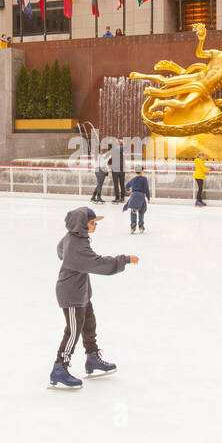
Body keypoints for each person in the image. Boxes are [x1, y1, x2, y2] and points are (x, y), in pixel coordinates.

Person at [49, 207, 139, 389]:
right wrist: (125, 259)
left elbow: (60, 251)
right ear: (82, 225)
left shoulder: (73, 238)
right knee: (73, 330)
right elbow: (98, 264)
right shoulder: (77, 245)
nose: (95, 225)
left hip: (80, 290)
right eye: (92, 222)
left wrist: (71, 262)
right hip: (71, 293)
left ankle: (92, 358)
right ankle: (59, 367)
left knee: (89, 323)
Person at [122, 165, 151, 233]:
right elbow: (146, 189)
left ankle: (133, 226)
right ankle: (141, 225)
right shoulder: (144, 179)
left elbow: (127, 185)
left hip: (133, 196)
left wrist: (127, 190)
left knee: (133, 211)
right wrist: (148, 198)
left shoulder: (133, 179)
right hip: (141, 196)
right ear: (141, 171)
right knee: (141, 211)